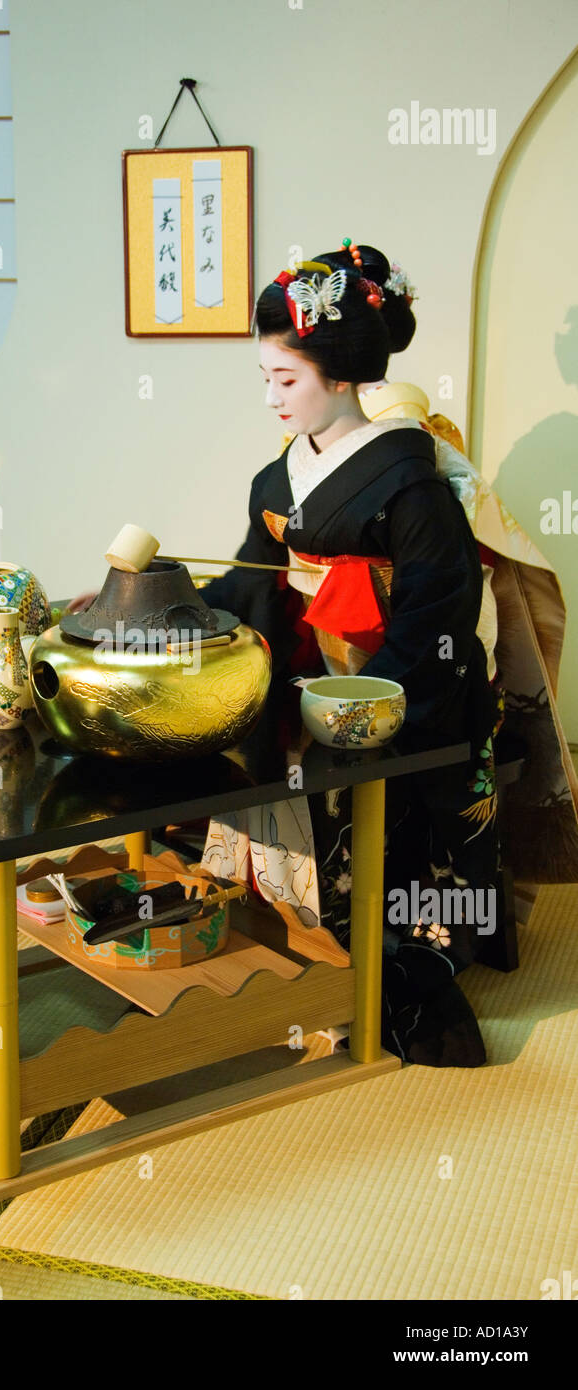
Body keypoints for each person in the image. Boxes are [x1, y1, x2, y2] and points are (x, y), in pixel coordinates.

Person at [193, 239, 578, 1067]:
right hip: (309, 682)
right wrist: (164, 602)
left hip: (400, 693)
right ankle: (296, 949)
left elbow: (438, 620)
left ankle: (393, 961)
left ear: (339, 375)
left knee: (389, 820)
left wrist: (361, 703)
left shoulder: (414, 487)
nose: (271, 398)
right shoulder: (277, 479)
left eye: (284, 379)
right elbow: (251, 584)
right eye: (264, 378)